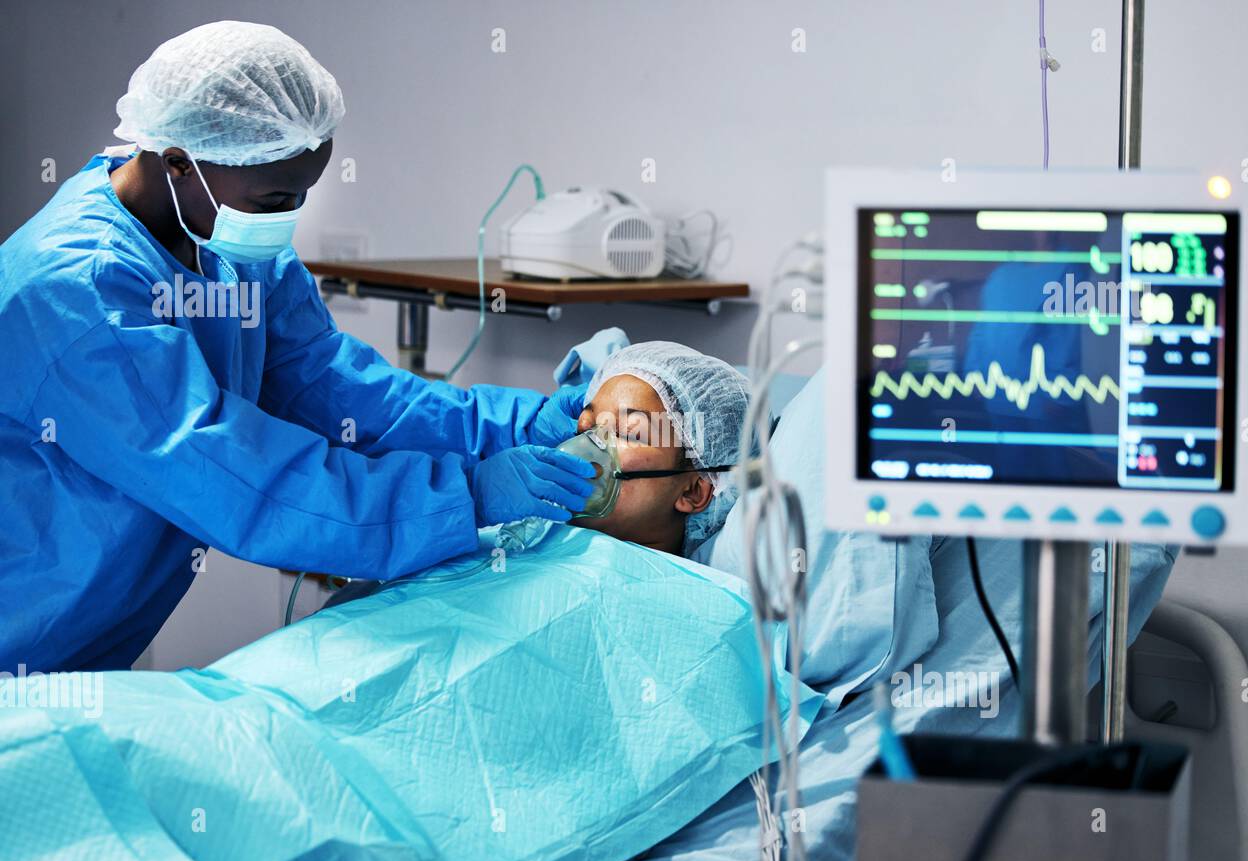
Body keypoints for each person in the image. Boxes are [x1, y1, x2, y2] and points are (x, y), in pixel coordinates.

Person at [0, 21, 595, 672]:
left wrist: (517, 425)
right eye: (276, 198)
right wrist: (465, 496)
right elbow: (236, 476)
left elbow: (337, 389)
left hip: (93, 632)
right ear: (178, 161)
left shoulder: (228, 248)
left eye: (302, 193)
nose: (288, 217)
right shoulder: (79, 295)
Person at [573, 342, 752, 556]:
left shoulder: (678, 589)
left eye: (628, 433)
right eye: (584, 427)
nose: (589, 444)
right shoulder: (531, 535)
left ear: (693, 492)